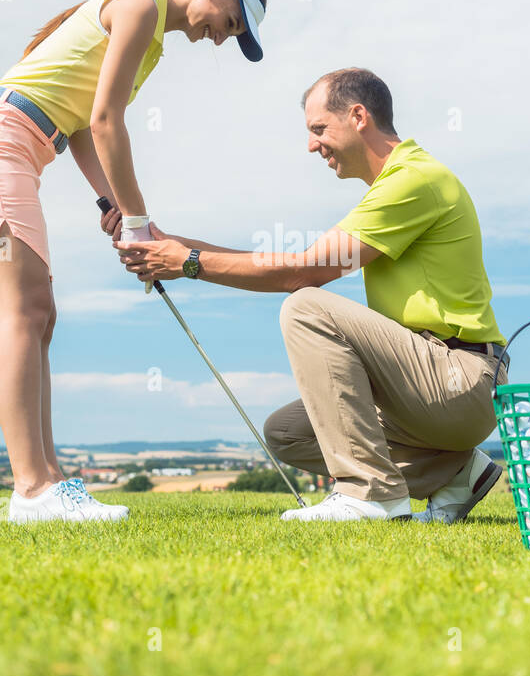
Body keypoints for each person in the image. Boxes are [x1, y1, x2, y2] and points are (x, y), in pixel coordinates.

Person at [0, 0, 268, 524]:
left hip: (21, 146)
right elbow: (106, 121)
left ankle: (49, 483)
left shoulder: (154, 37)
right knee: (22, 309)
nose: (223, 39)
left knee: (41, 313)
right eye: (232, 23)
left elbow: (84, 128)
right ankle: (32, 490)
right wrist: (140, 224)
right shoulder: (141, 6)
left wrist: (113, 205)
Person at [115, 68, 508, 523]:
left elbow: (303, 272)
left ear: (358, 116)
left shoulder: (414, 180)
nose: (311, 145)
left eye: (319, 129)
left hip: (460, 379)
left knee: (306, 307)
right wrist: (180, 247)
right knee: (287, 433)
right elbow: (299, 263)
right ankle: (456, 473)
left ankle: (371, 494)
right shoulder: (393, 185)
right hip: (426, 383)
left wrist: (189, 263)